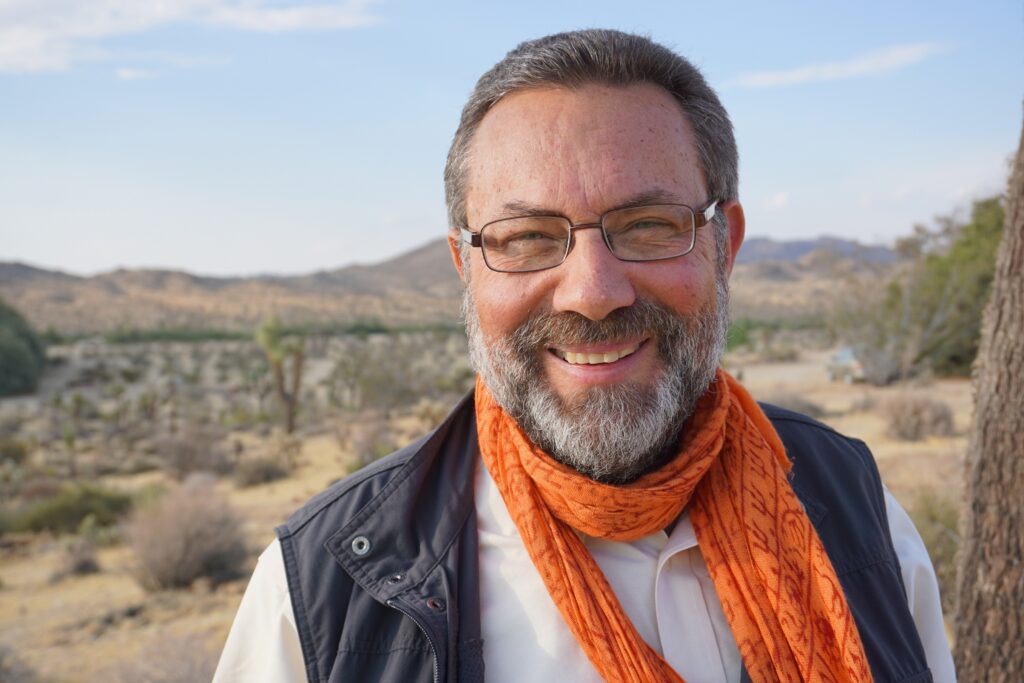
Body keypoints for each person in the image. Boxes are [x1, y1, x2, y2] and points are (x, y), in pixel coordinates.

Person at [214, 29, 955, 682]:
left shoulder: (858, 512)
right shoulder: (324, 589)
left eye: (649, 224)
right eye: (529, 237)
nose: (593, 293)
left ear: (724, 244)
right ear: (464, 267)